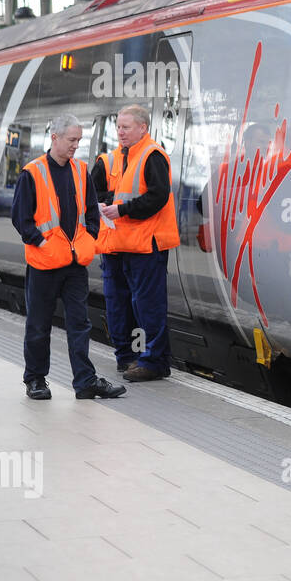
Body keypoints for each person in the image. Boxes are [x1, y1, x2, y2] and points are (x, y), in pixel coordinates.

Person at [10, 114, 126, 401]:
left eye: (79, 140)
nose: (76, 145)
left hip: (75, 264)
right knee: (39, 324)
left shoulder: (80, 170)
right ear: (55, 138)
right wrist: (41, 243)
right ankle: (35, 379)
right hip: (45, 263)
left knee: (80, 323)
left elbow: (90, 211)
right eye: (72, 140)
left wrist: (89, 238)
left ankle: (85, 382)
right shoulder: (32, 173)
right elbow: (21, 219)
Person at [92, 104, 179, 381]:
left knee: (146, 305)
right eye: (118, 126)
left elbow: (158, 196)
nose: (120, 132)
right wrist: (110, 201)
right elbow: (91, 192)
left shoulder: (152, 156)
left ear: (143, 128)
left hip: (145, 246)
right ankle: (127, 357)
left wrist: (122, 208)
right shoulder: (108, 161)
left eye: (126, 127)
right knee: (119, 304)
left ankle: (153, 361)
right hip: (116, 244)